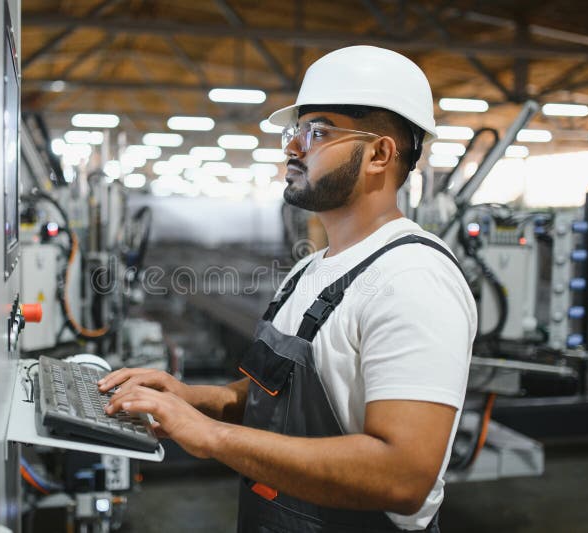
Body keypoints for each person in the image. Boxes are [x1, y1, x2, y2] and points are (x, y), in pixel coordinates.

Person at [99, 45, 477, 532]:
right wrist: (193, 398)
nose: (292, 147)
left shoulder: (412, 278)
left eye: (317, 131)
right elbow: (278, 395)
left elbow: (403, 477)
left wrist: (211, 436)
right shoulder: (311, 269)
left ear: (380, 154)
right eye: (294, 132)